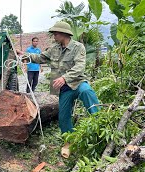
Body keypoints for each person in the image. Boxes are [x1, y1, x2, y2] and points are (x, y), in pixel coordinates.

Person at [17, 21, 100, 157]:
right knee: (63, 116)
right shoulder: (54, 49)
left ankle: (100, 122)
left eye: (56, 33)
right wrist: (24, 55)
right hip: (64, 89)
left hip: (77, 82)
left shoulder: (78, 47)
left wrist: (64, 78)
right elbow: (40, 57)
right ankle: (69, 141)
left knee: (87, 92)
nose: (54, 36)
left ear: (64, 34)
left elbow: (80, 67)